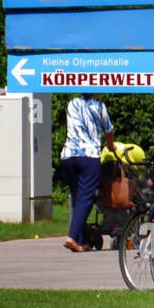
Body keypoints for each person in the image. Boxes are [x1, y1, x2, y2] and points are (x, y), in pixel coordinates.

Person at [59, 94, 116, 253]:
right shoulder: (99, 107)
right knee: (86, 199)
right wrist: (111, 147)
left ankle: (82, 241)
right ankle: (72, 237)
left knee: (78, 197)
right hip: (89, 156)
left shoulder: (72, 103)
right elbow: (109, 130)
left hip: (68, 156)